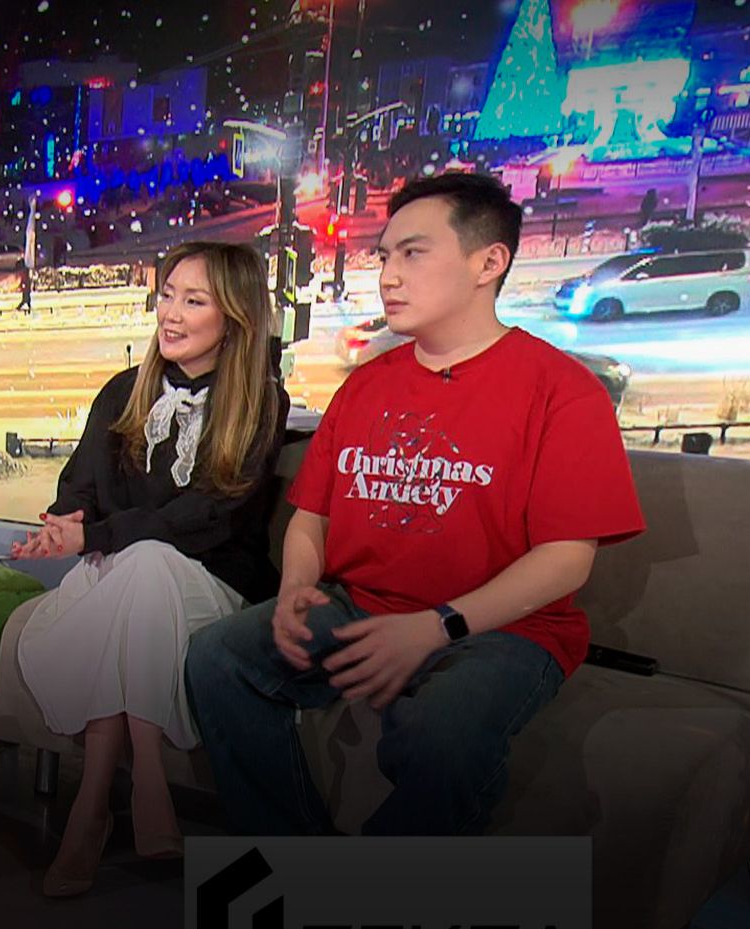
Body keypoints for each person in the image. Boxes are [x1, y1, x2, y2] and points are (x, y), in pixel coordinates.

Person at [185, 172, 645, 837]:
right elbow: (311, 516)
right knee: (217, 656)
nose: (388, 276)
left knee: (441, 735)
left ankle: (391, 890)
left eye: (413, 253)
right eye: (384, 256)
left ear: (489, 262)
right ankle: (293, 862)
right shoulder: (365, 386)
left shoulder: (562, 390)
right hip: (359, 606)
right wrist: (295, 588)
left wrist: (436, 626)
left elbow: (567, 560)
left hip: (500, 630)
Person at [4, 241, 289, 897]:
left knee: (153, 561)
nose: (171, 313)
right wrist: (63, 525)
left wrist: (99, 535)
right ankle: (146, 784)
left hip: (208, 585)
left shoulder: (259, 403)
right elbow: (78, 486)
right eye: (167, 295)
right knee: (141, 568)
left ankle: (92, 809)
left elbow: (207, 516)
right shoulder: (121, 392)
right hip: (119, 577)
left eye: (194, 300)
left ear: (236, 318)